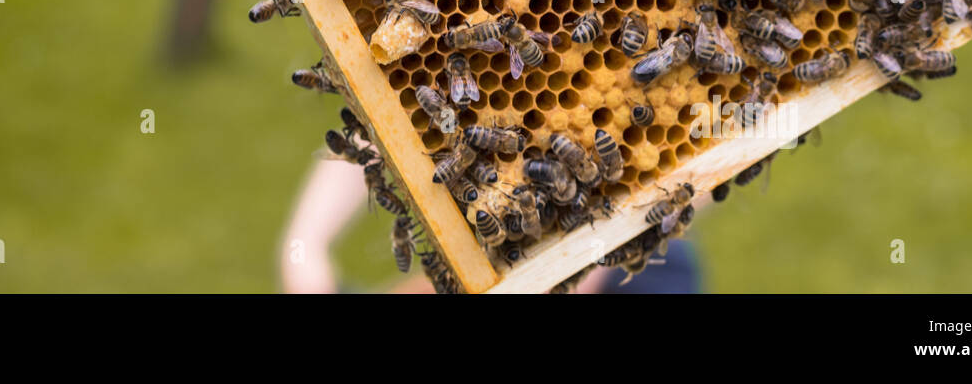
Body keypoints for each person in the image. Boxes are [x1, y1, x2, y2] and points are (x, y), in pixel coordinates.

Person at [279, 159, 703, 294]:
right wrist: (304, 247)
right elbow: (372, 119)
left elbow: (694, 164)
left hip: (621, 260)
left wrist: (592, 260)